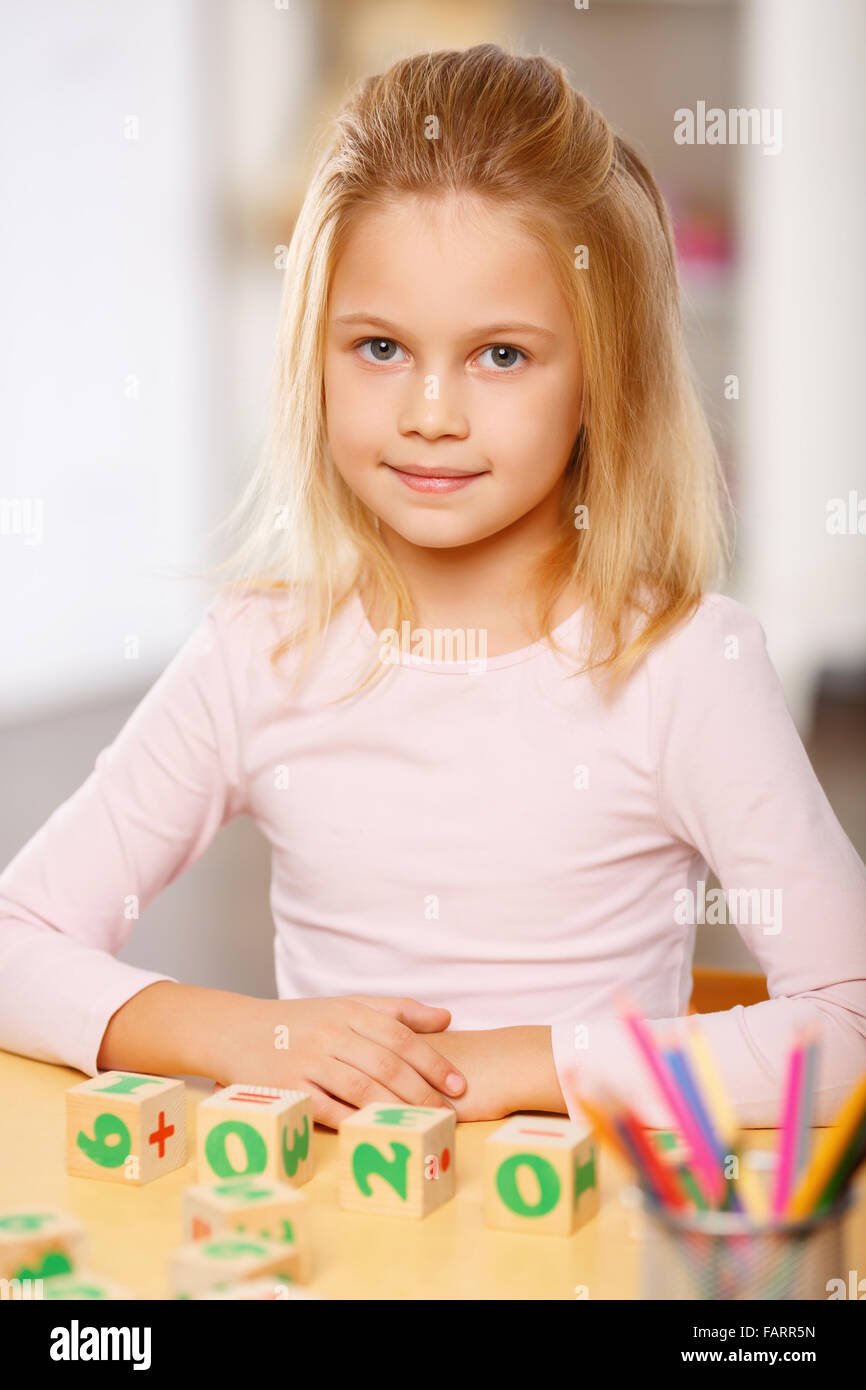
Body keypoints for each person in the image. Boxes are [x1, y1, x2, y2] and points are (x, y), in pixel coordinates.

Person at [1, 43, 864, 1131]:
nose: (430, 411)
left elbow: (846, 1022)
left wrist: (512, 1066)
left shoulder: (687, 665)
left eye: (500, 355)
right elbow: (13, 942)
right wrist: (250, 1034)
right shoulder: (259, 652)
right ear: (311, 355)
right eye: (377, 347)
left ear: (603, 376)